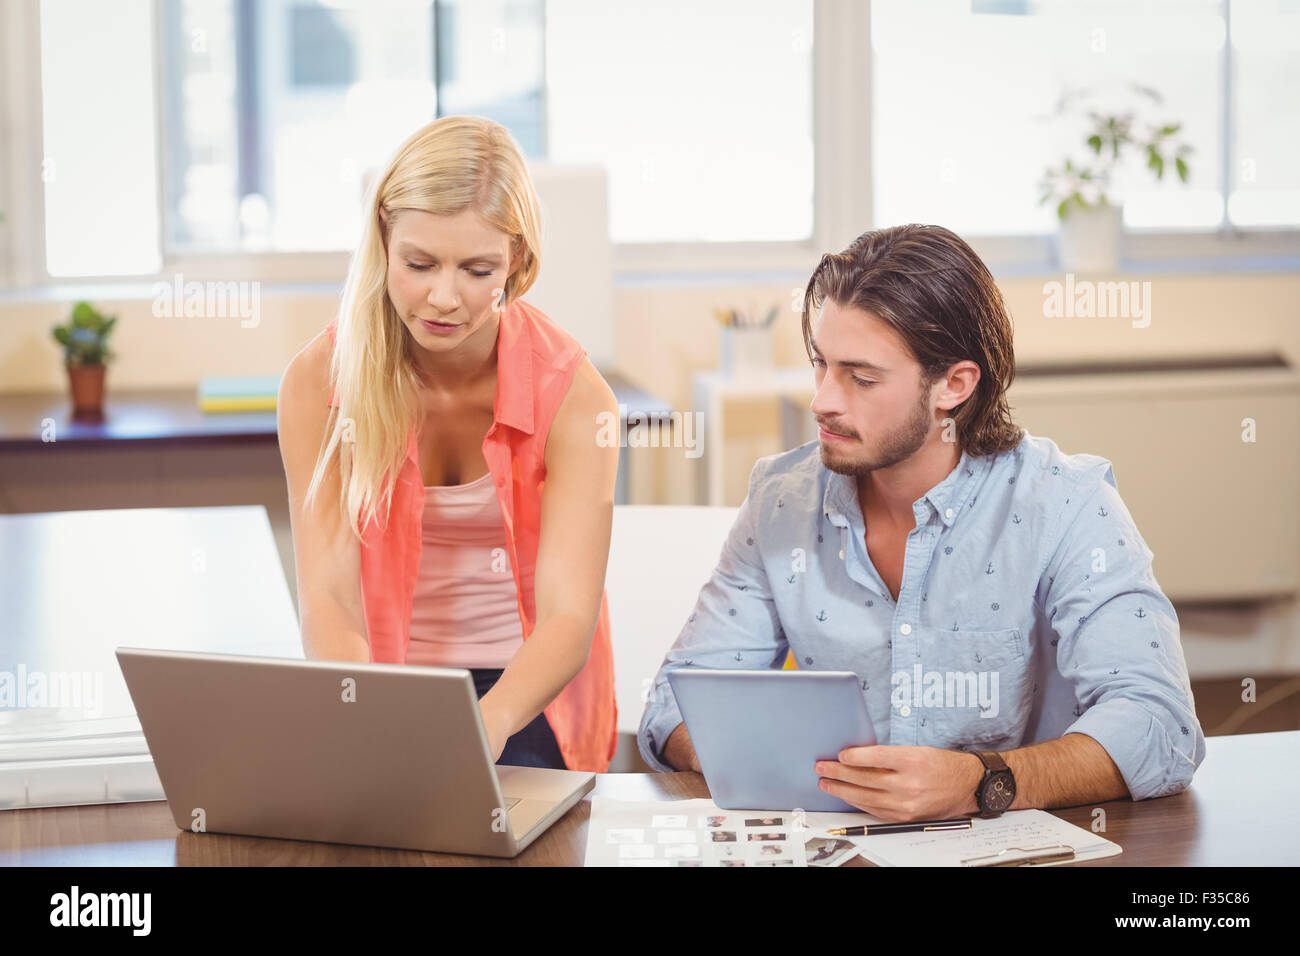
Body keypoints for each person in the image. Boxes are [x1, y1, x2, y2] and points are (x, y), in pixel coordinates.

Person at [638, 223, 1205, 820]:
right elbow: (673, 706)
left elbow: (1159, 724)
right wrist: (788, 761)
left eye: (861, 377)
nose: (823, 401)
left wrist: (981, 783)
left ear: (954, 386)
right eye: (820, 365)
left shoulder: (1065, 503)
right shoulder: (782, 502)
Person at [277, 115, 620, 772]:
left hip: (525, 696)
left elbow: (568, 616)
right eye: (419, 263)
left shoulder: (576, 399)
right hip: (384, 681)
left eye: (476, 268)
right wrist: (366, 709)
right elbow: (330, 596)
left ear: (516, 262)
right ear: (382, 240)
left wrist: (482, 725)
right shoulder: (317, 383)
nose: (444, 297)